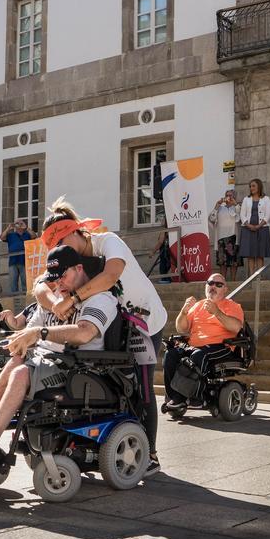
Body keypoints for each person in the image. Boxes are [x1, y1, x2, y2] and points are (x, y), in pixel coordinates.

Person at [35, 198, 168, 474]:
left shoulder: (107, 241)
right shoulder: (71, 260)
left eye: (61, 241)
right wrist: (53, 303)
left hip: (145, 323)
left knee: (141, 388)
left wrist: (70, 299)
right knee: (117, 385)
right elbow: (39, 286)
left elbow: (110, 276)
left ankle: (150, 453)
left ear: (75, 232)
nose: (58, 250)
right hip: (114, 324)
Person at [0, 245, 119, 467]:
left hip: (79, 367)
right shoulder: (56, 299)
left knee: (22, 372)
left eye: (63, 276)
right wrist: (18, 340)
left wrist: (39, 333)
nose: (58, 283)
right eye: (55, 279)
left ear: (79, 268)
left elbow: (85, 332)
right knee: (17, 357)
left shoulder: (100, 299)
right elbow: (28, 332)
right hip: (47, 361)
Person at [161, 273, 245, 412]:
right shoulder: (198, 306)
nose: (213, 287)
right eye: (210, 283)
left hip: (220, 346)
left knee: (198, 356)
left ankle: (194, 396)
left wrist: (216, 312)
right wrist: (183, 312)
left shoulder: (232, 306)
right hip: (193, 346)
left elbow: (237, 327)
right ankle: (174, 398)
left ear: (225, 289)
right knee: (171, 354)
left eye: (218, 284)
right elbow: (181, 328)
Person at [238, 178, 270, 275]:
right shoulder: (246, 199)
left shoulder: (266, 199)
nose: (251, 188)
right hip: (248, 229)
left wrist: (258, 226)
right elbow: (242, 214)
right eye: (250, 186)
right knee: (250, 254)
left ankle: (259, 277)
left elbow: (268, 214)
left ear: (259, 186)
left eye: (253, 186)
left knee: (260, 254)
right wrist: (249, 225)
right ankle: (252, 277)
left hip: (262, 229)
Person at [209, 189, 240, 281]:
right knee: (222, 262)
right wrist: (216, 206)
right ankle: (223, 281)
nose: (228, 197)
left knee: (234, 262)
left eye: (231, 195)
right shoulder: (220, 208)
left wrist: (235, 204)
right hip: (221, 238)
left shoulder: (237, 207)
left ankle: (233, 280)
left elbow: (239, 219)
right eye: (227, 195)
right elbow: (212, 218)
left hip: (233, 237)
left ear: (234, 197)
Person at [0, 220, 35, 294]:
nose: (19, 225)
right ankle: (15, 300)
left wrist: (26, 228)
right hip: (13, 262)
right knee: (13, 282)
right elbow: (2, 237)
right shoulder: (11, 235)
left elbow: (34, 236)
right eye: (17, 223)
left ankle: (26, 298)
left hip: (25, 261)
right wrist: (8, 228)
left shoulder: (27, 234)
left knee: (25, 281)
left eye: (21, 223)